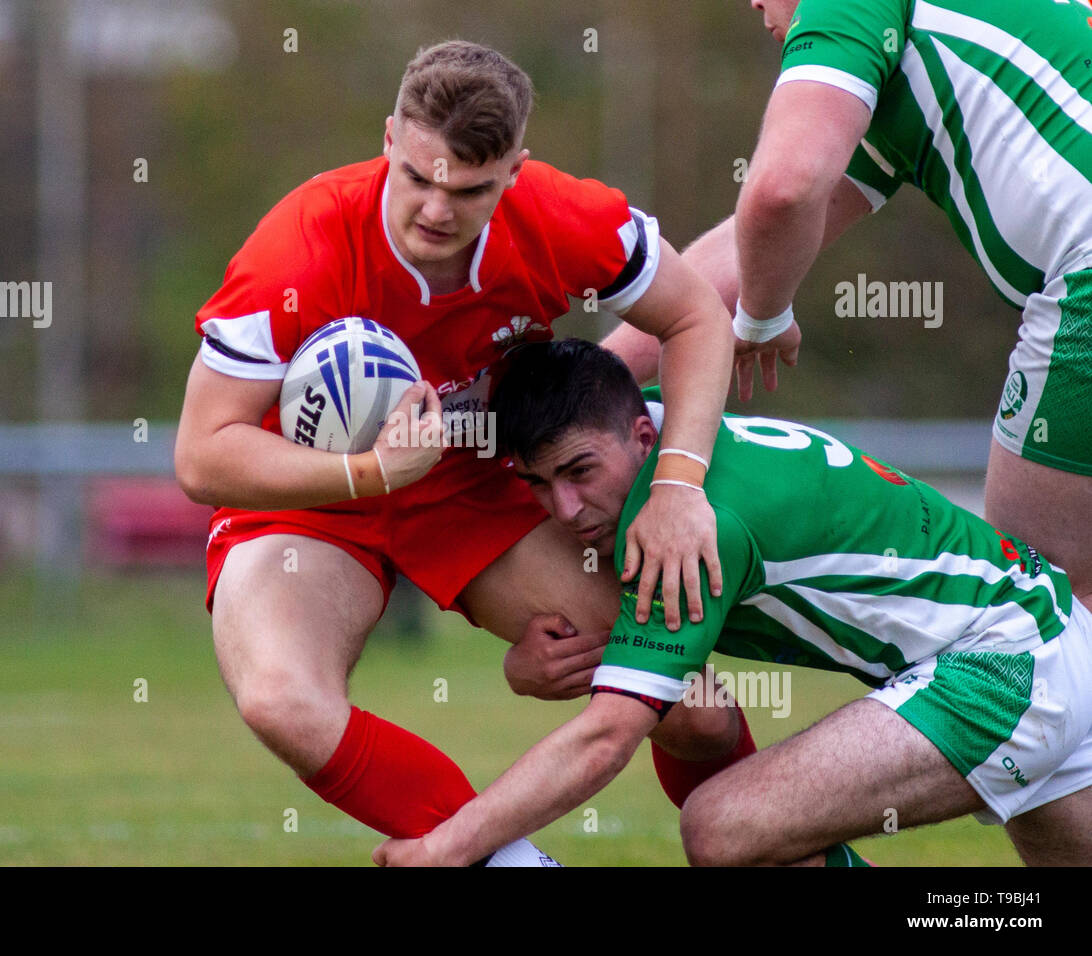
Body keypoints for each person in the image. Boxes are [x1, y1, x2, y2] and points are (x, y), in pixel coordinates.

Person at [173, 40, 745, 861]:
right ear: (389, 141)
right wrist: (366, 471)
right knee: (280, 699)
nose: (436, 210)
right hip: (310, 497)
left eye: (471, 189)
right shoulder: (299, 247)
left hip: (472, 492)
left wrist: (679, 486)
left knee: (689, 702)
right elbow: (201, 456)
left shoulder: (560, 218)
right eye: (417, 177)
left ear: (515, 172)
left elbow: (693, 318)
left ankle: (788, 850)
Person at [374, 339, 1092, 866]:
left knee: (723, 827)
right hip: (1040, 634)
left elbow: (608, 737)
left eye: (578, 472)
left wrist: (450, 847)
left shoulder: (682, 527)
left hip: (1004, 666)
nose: (564, 508)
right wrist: (524, 669)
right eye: (538, 483)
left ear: (642, 436)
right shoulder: (665, 436)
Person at [605, 0, 1092, 609]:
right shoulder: (909, 73)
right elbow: (746, 243)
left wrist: (764, 315)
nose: (754, 3)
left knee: (1039, 605)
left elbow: (782, 187)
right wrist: (592, 379)